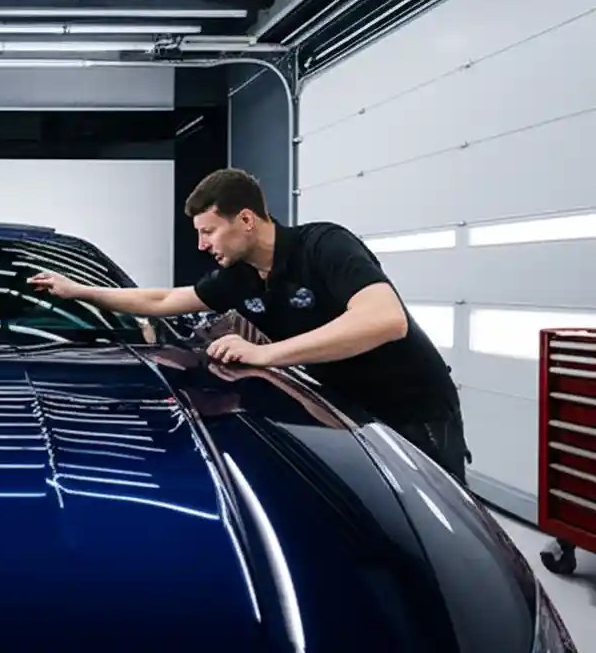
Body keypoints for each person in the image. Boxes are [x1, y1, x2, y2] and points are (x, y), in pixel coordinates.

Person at [27, 167, 470, 483]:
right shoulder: (238, 278)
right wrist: (78, 290)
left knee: (434, 532)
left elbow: (384, 320)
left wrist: (266, 354)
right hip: (344, 409)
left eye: (209, 231)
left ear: (245, 219)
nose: (202, 245)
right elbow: (161, 300)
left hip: (415, 413)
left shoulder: (323, 246)